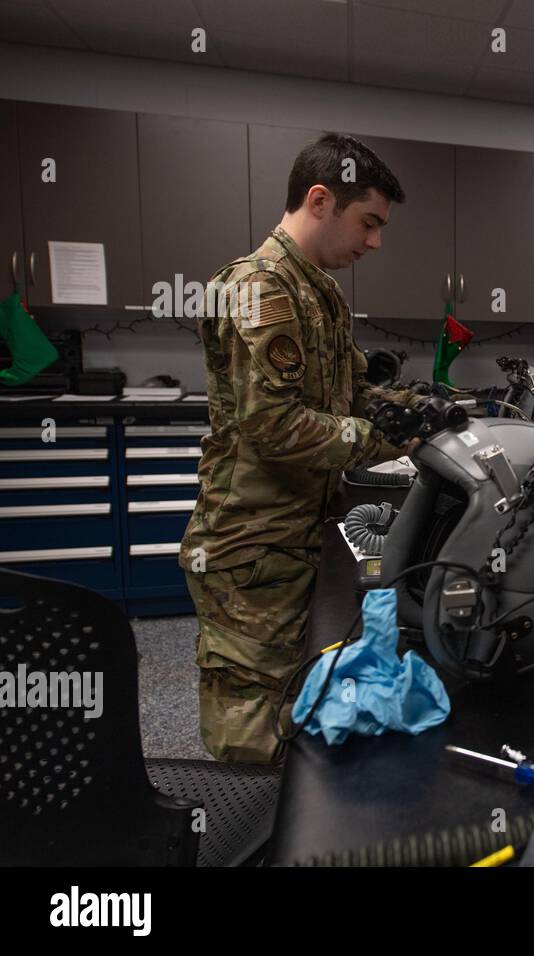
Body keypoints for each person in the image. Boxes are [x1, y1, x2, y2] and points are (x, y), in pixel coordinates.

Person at [180, 133, 421, 764]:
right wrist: (383, 441)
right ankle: (238, 822)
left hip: (298, 533)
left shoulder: (320, 293)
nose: (374, 242)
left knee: (292, 702)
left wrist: (420, 413)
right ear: (320, 200)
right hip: (252, 544)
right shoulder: (258, 288)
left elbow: (349, 397)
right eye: (368, 222)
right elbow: (275, 426)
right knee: (252, 731)